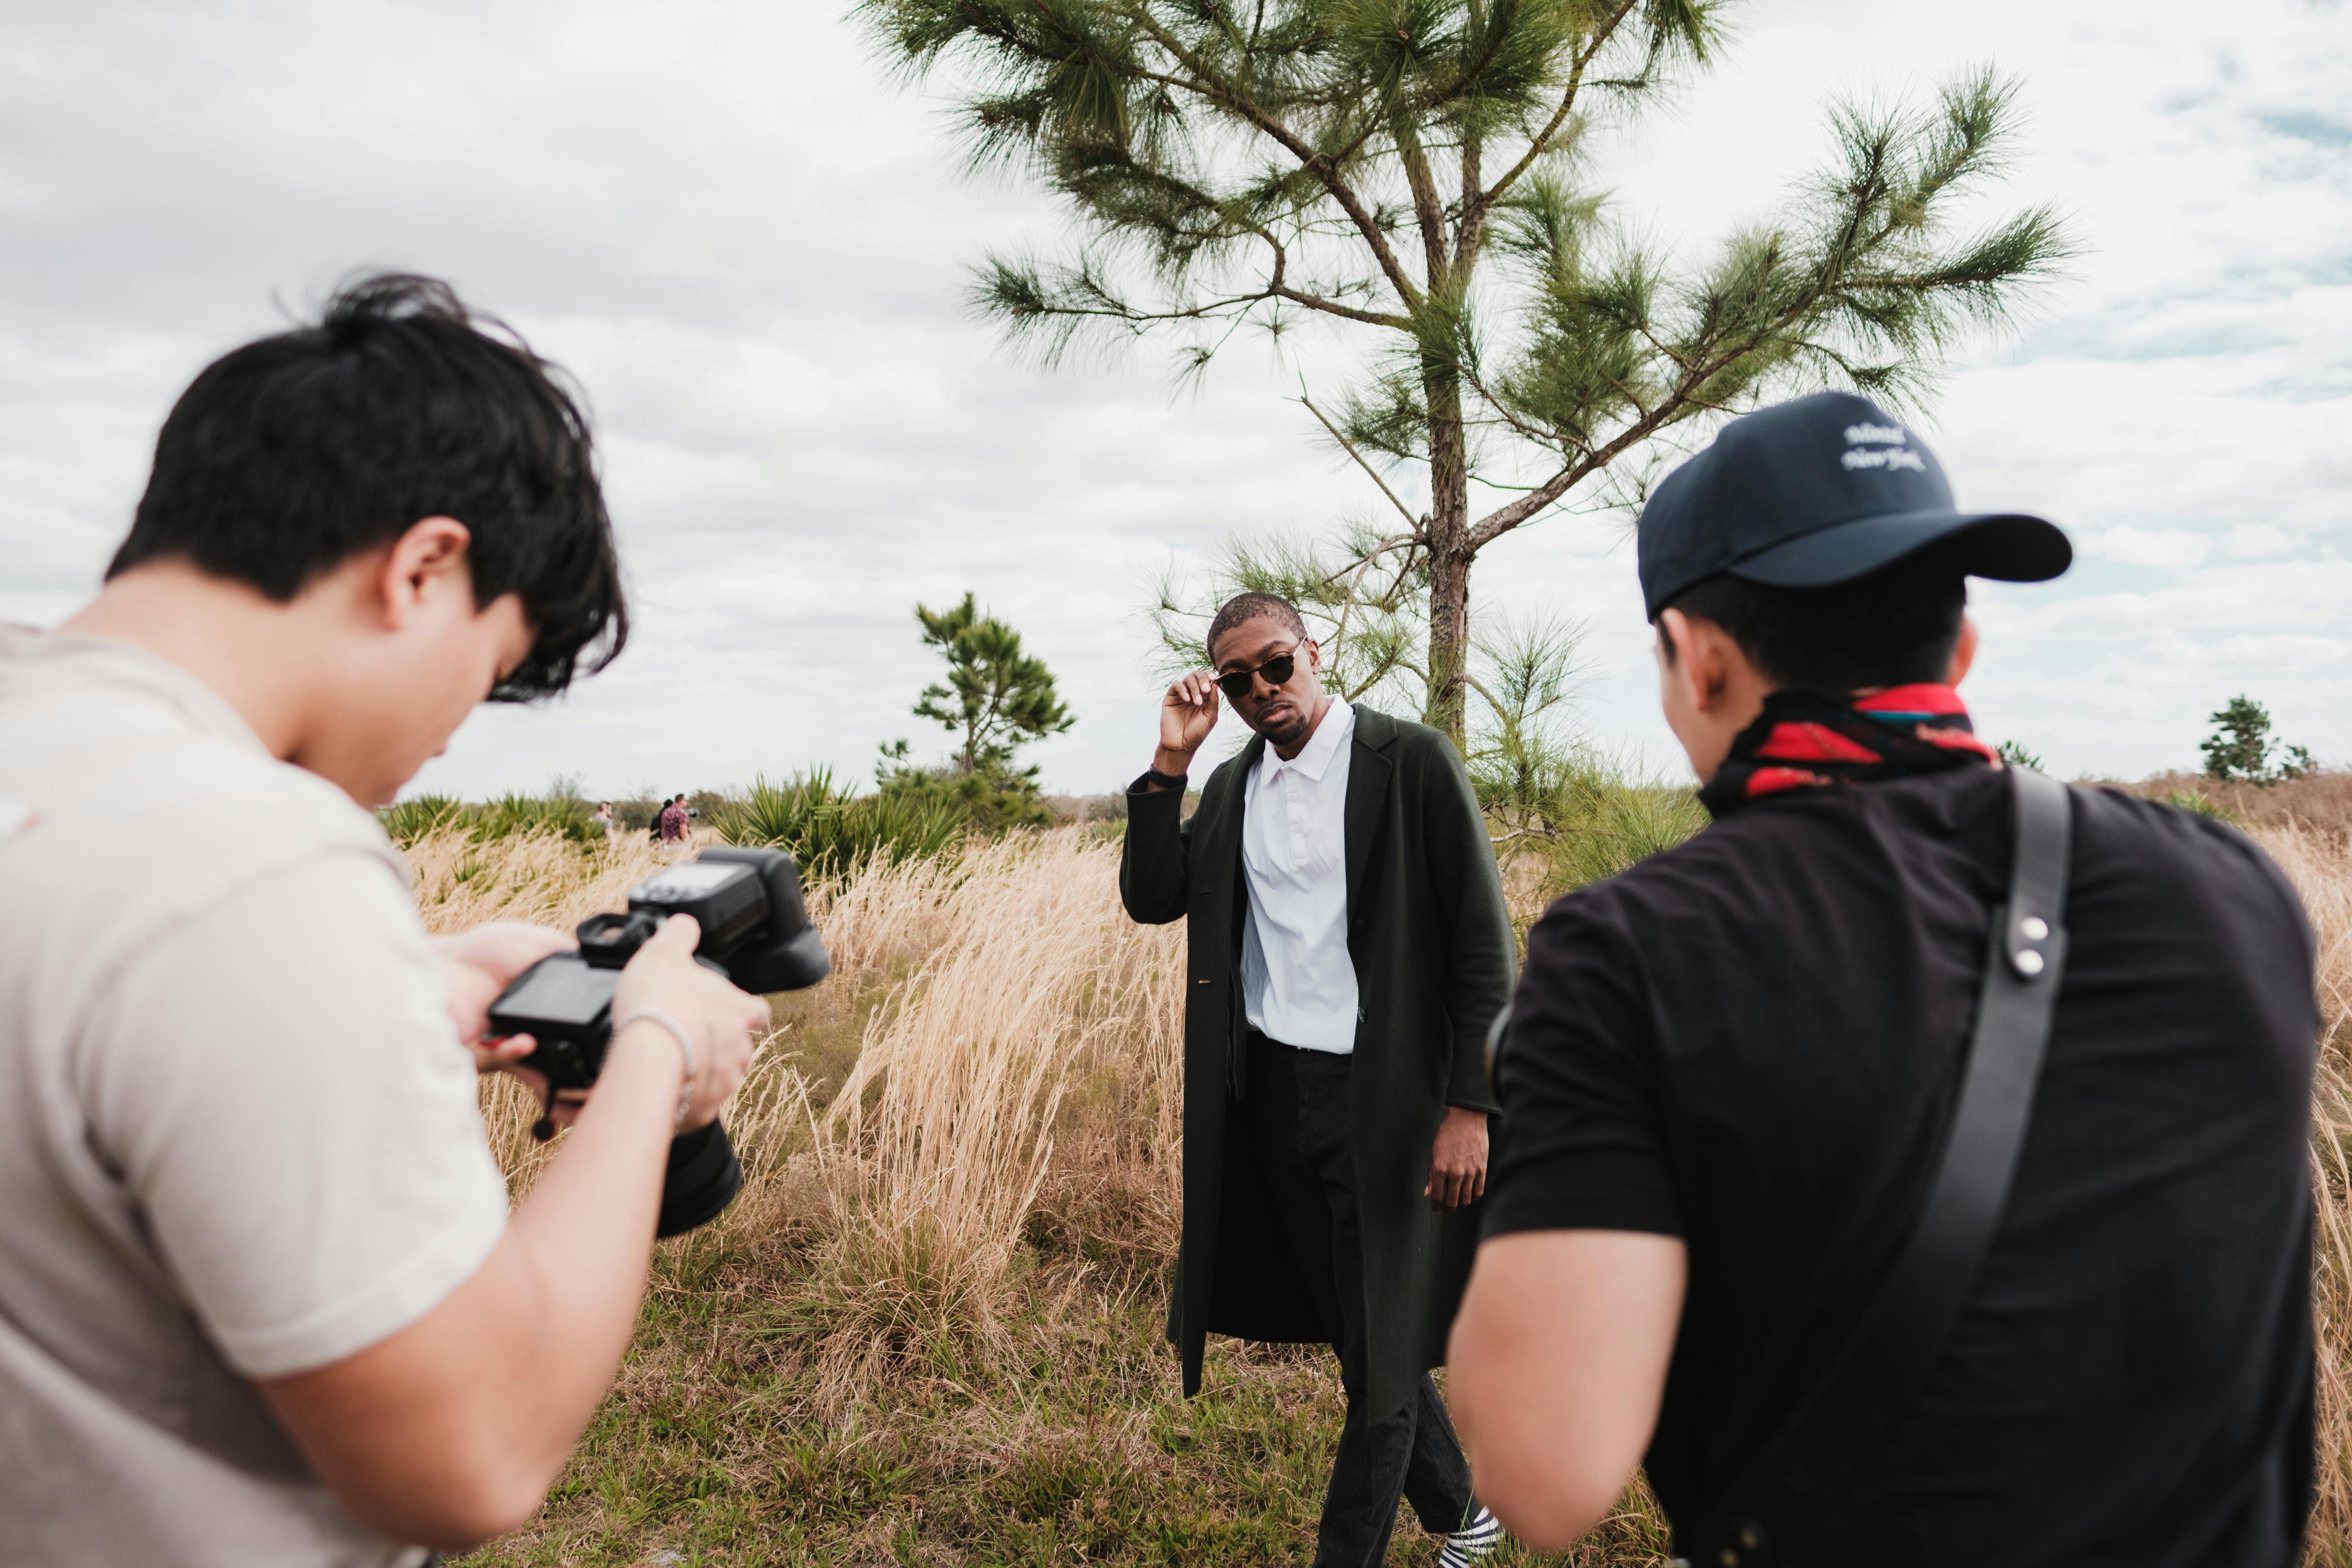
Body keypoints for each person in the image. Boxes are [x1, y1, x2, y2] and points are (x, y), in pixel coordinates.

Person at [1448, 392, 2317, 1567]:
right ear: (1960, 650)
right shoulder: (2238, 891)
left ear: (1696, 661)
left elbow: (1542, 1479)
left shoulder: (1629, 954)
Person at [0, 273, 773, 1566]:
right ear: (425, 567)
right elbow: (472, 1459)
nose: (444, 739)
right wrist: (655, 1049)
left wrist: (395, 983)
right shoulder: (255, 858)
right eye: (485, 673)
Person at [1121, 592, 1515, 1568]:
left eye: (1277, 665)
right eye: (1237, 679)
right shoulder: (1235, 784)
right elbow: (1151, 895)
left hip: (1389, 1099)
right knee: (1362, 1329)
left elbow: (1482, 943)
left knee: (1379, 1350)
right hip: (1272, 1098)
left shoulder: (1410, 760)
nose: (1262, 691)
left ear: (1314, 650)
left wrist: (1473, 1104)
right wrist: (1173, 761)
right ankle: (1468, 1512)